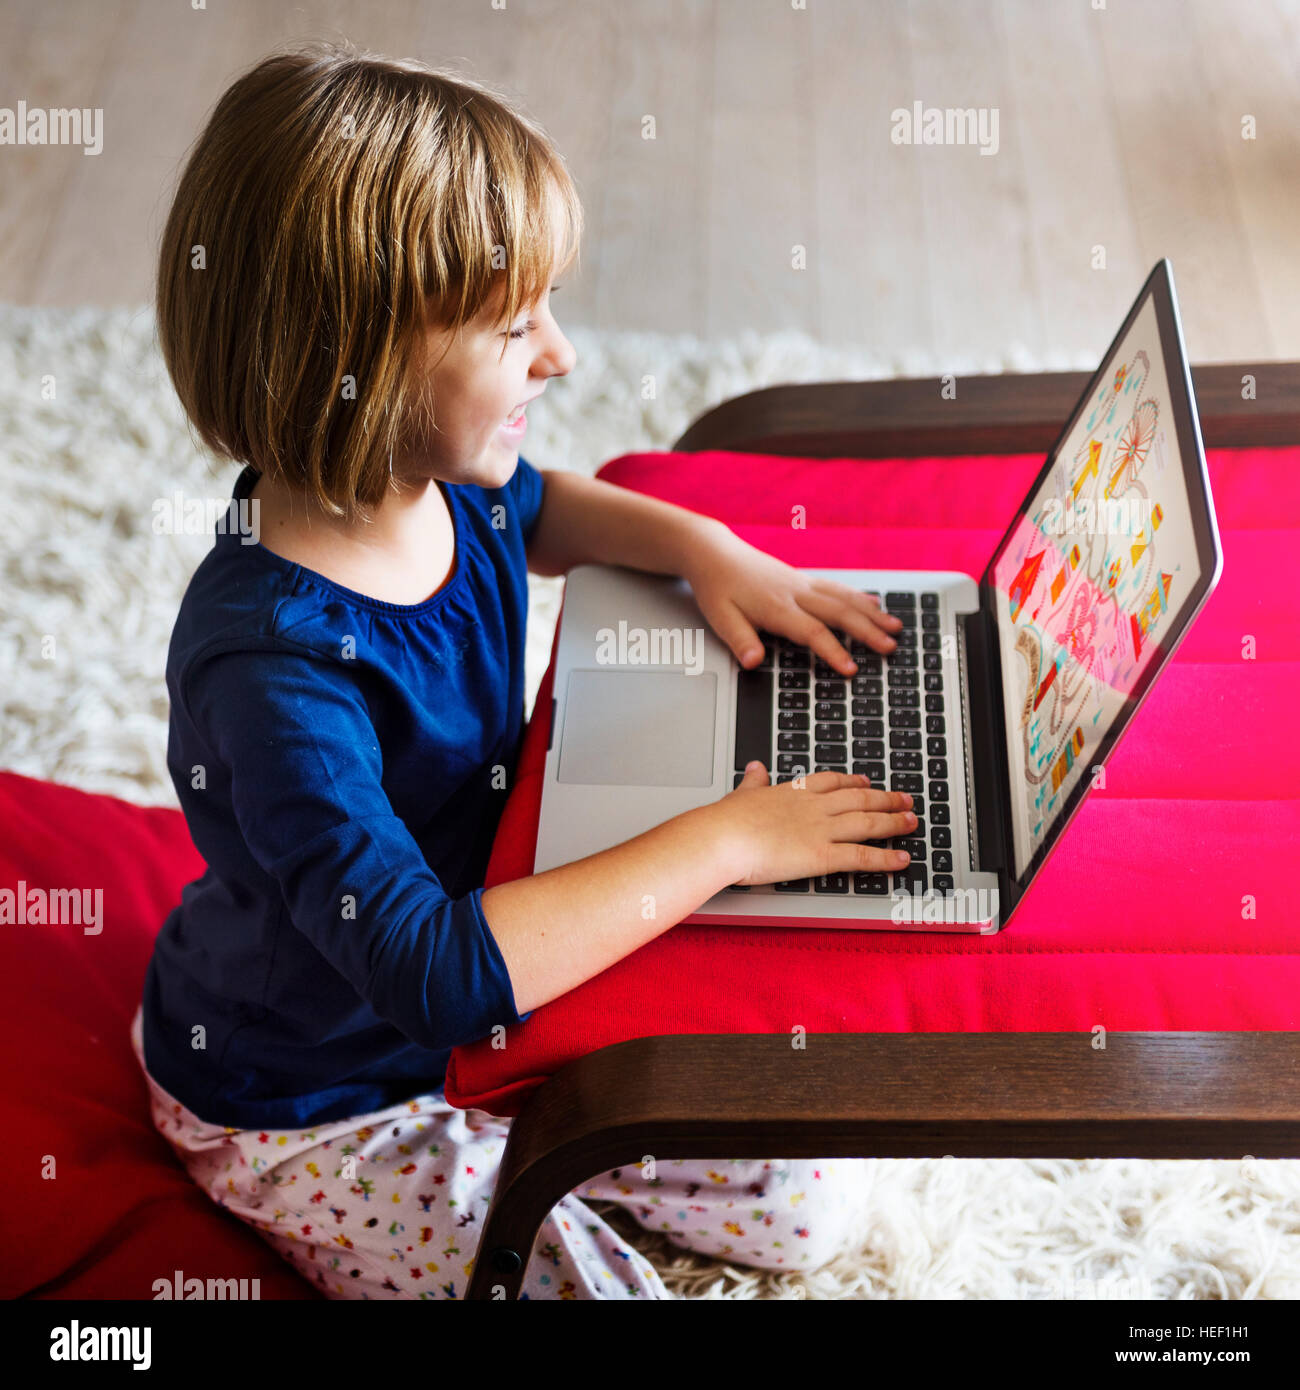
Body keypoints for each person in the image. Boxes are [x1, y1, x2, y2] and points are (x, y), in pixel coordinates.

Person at [136, 41, 915, 1300]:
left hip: (495, 978)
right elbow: (435, 974)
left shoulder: (449, 477)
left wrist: (706, 550)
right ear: (367, 363)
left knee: (808, 1202)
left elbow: (547, 511)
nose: (559, 356)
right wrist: (722, 841)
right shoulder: (273, 672)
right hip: (322, 1094)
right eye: (514, 325)